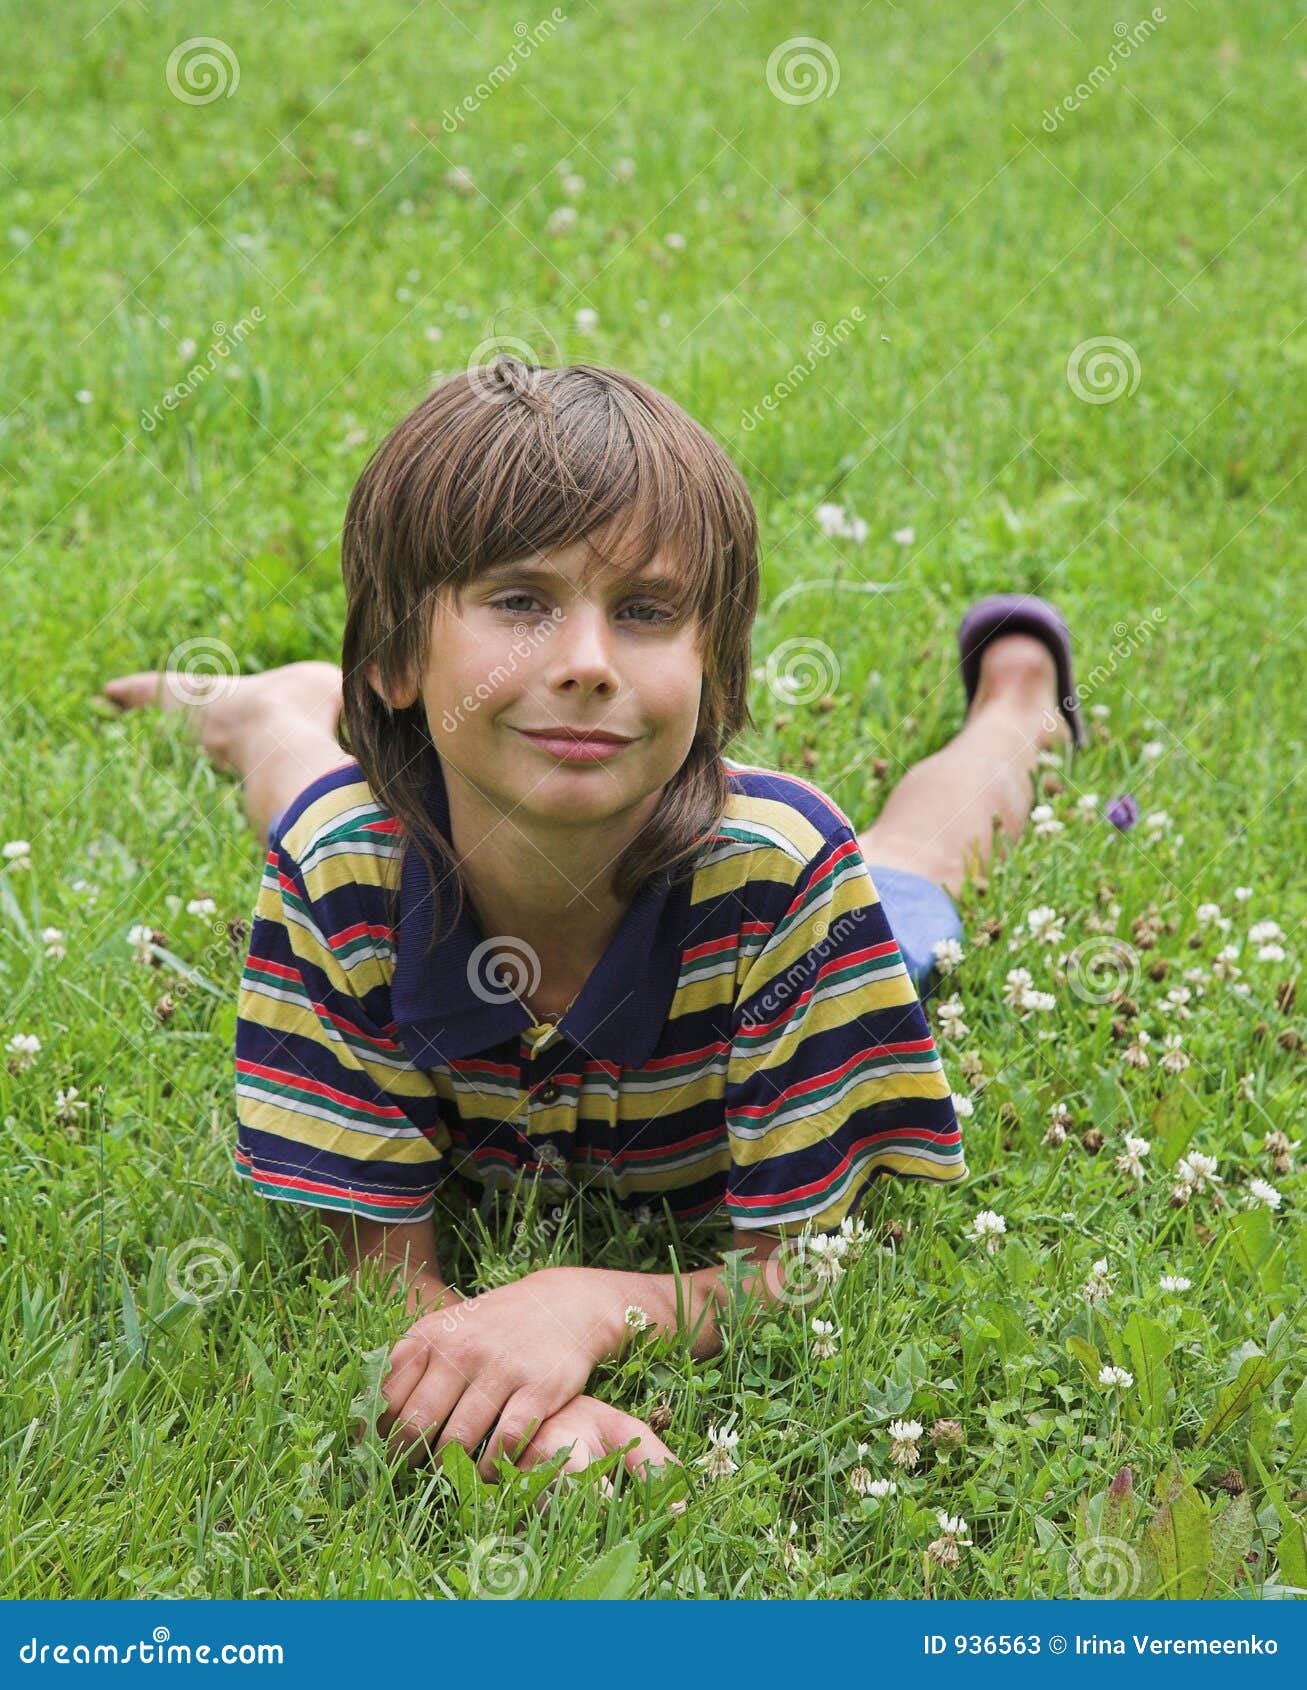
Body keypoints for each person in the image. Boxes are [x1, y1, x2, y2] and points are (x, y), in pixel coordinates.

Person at [103, 358, 1083, 1487]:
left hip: (782, 906)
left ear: (716, 677)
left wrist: (593, 1305)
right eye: (520, 600)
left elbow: (803, 1269)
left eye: (647, 613)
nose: (582, 664)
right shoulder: (339, 876)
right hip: (390, 821)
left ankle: (1014, 706)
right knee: (322, 802)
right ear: (394, 657)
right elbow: (378, 1272)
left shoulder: (787, 880)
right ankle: (270, 706)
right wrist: (516, 1409)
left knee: (909, 866)